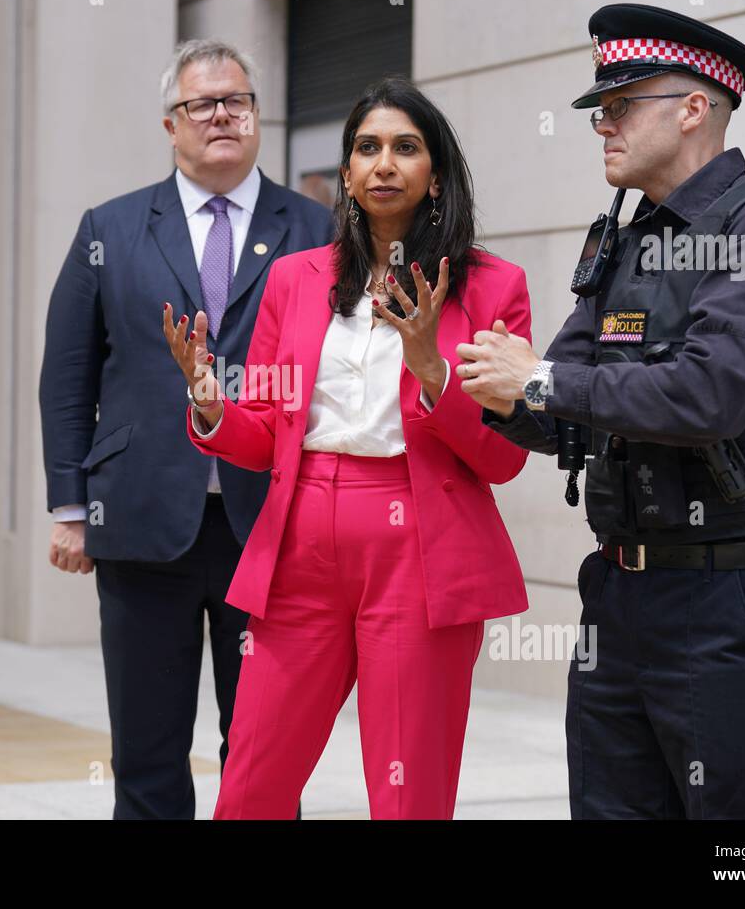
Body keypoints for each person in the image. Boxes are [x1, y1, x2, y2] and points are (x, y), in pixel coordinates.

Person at [458, 3, 745, 819]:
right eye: (600, 109)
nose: (603, 125)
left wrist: (542, 383)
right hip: (620, 595)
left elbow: (711, 396)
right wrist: (479, 380)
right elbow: (560, 406)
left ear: (694, 107)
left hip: (733, 599)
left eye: (621, 104)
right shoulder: (623, 242)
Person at [166, 78, 532, 819]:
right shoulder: (294, 280)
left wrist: (433, 373)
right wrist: (211, 406)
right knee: (251, 787)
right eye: (367, 148)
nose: (384, 164)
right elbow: (269, 434)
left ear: (437, 173)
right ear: (346, 172)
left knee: (407, 796)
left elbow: (503, 458)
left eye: (406, 148)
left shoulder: (493, 287)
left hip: (420, 548)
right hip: (300, 542)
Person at [40, 40, 332, 819]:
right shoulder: (112, 226)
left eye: (237, 101)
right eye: (202, 104)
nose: (222, 115)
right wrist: (71, 507)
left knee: (265, 752)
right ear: (171, 124)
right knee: (147, 751)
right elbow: (68, 377)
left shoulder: (316, 228)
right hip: (139, 522)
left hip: (273, 526)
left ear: (258, 117)